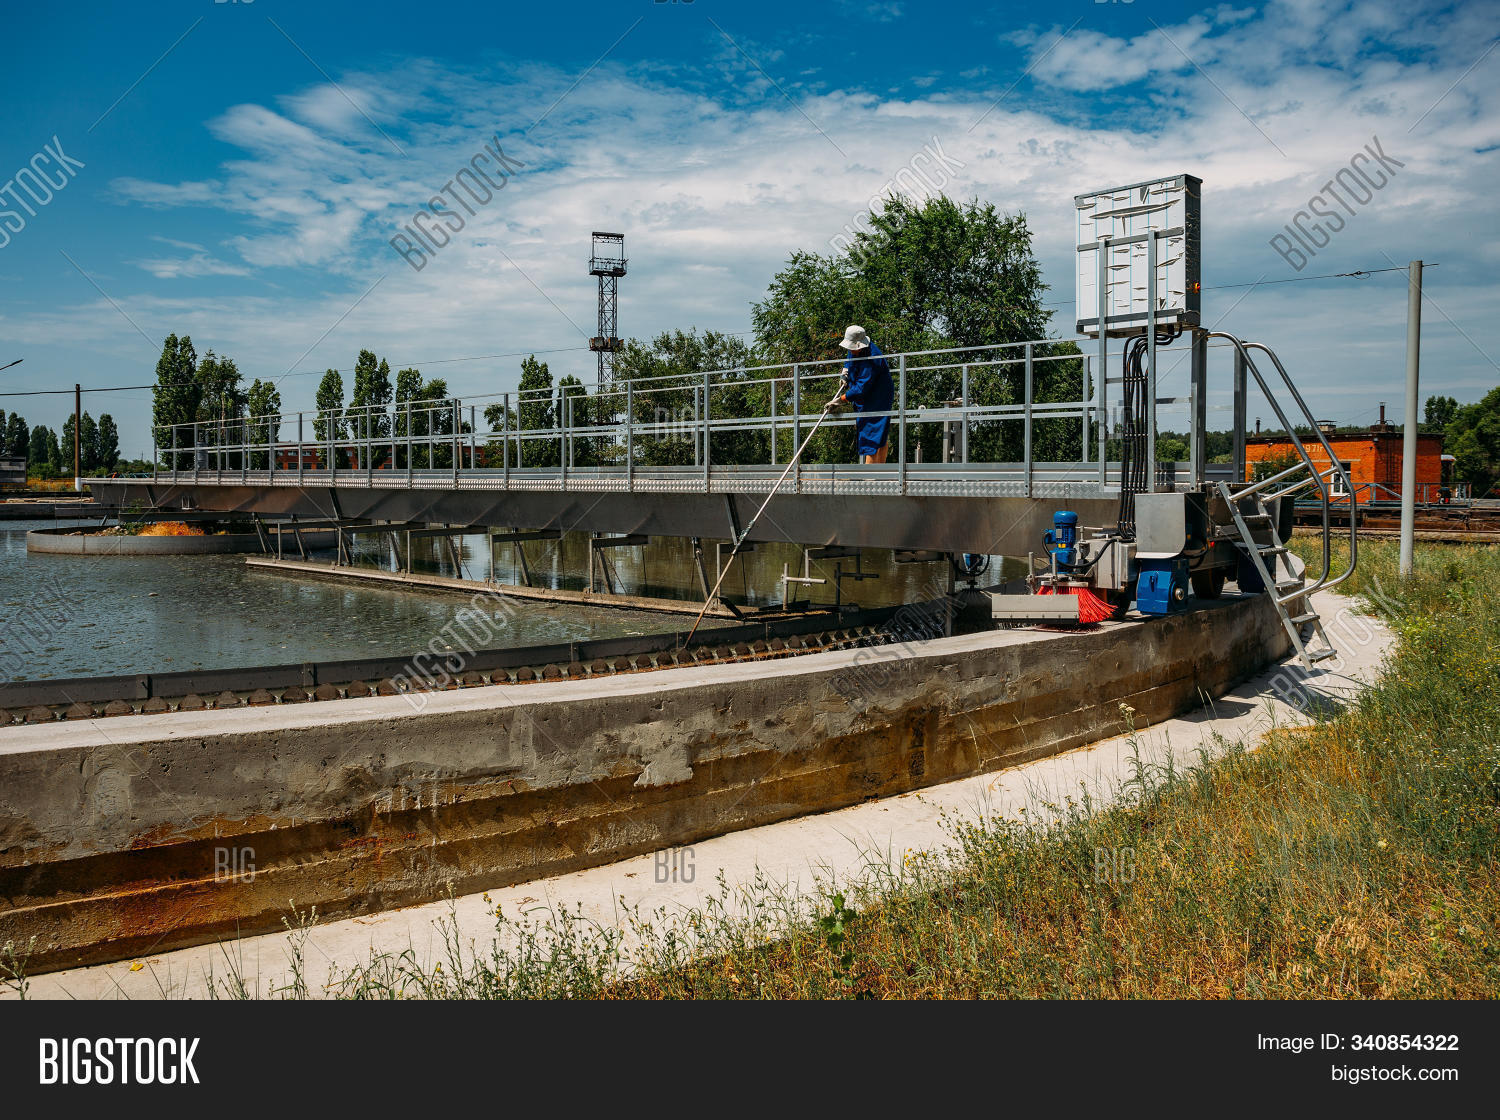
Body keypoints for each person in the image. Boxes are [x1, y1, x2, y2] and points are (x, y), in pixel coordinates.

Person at [835, 325, 894, 464]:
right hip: (867, 396)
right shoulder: (856, 349)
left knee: (872, 435)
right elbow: (849, 359)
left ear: (860, 345)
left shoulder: (873, 358)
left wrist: (841, 400)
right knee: (877, 435)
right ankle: (879, 472)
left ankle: (870, 477)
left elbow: (861, 388)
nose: (850, 350)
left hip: (877, 398)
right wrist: (845, 374)